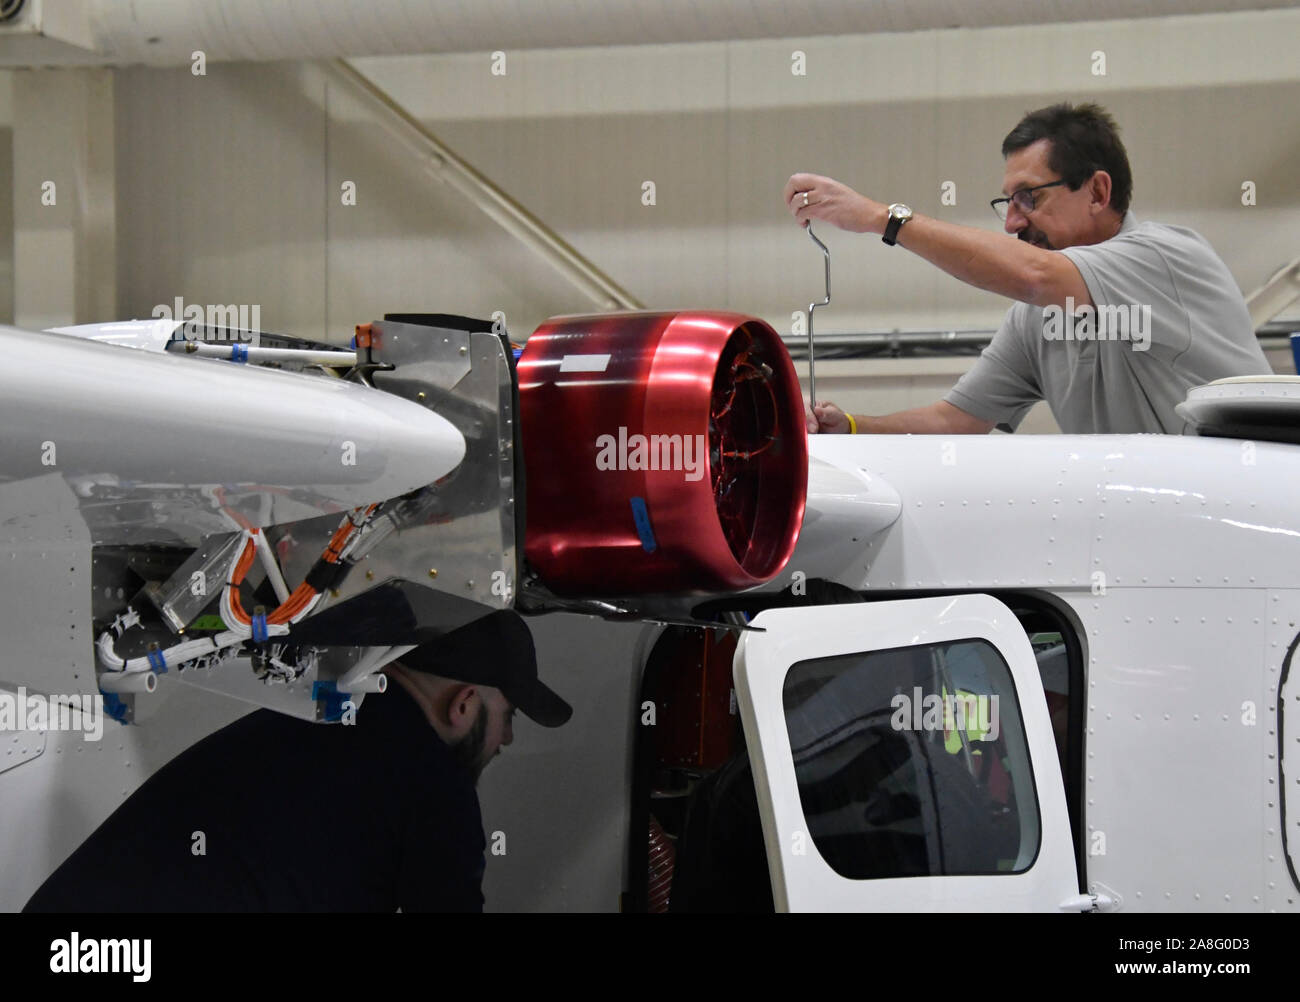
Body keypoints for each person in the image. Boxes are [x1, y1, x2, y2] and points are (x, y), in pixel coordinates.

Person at [23, 609, 570, 912]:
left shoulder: (297, 723)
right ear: (465, 704)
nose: (507, 740)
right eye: (509, 716)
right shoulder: (433, 787)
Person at [785, 102, 1271, 436]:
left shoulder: (1164, 258)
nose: (1013, 222)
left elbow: (1034, 274)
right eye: (1008, 201)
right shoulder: (1038, 316)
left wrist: (882, 219)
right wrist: (849, 426)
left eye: (1029, 198)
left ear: (1098, 193)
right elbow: (958, 421)